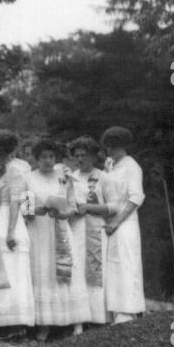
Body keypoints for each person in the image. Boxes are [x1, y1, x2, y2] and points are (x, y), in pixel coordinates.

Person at [24, 138, 91, 339]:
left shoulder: (64, 178)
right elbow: (25, 210)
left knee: (66, 272)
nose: (47, 160)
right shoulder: (28, 178)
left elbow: (73, 206)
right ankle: (45, 325)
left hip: (60, 229)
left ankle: (76, 322)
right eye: (43, 157)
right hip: (39, 231)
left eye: (51, 156)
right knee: (43, 272)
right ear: (36, 158)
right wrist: (39, 209)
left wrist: (63, 213)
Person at [0, 130, 35, 337]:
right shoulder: (0, 170)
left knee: (12, 270)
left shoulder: (15, 170)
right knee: (1, 268)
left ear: (1, 150)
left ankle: (16, 323)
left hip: (9, 221)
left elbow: (16, 201)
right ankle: (2, 321)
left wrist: (11, 231)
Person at [99, 126, 145, 322]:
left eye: (113, 146)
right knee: (113, 266)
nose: (109, 150)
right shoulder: (112, 165)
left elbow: (136, 198)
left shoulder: (131, 166)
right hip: (110, 223)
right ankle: (115, 311)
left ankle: (128, 312)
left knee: (126, 263)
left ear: (122, 146)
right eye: (108, 146)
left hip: (125, 223)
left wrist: (117, 222)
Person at [65, 136, 109, 326]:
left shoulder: (103, 177)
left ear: (93, 156)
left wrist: (89, 208)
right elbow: (67, 201)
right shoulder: (71, 178)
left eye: (84, 155)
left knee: (96, 271)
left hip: (96, 229)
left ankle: (98, 317)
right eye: (77, 156)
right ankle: (79, 319)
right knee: (77, 271)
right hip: (75, 228)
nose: (80, 159)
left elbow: (112, 205)